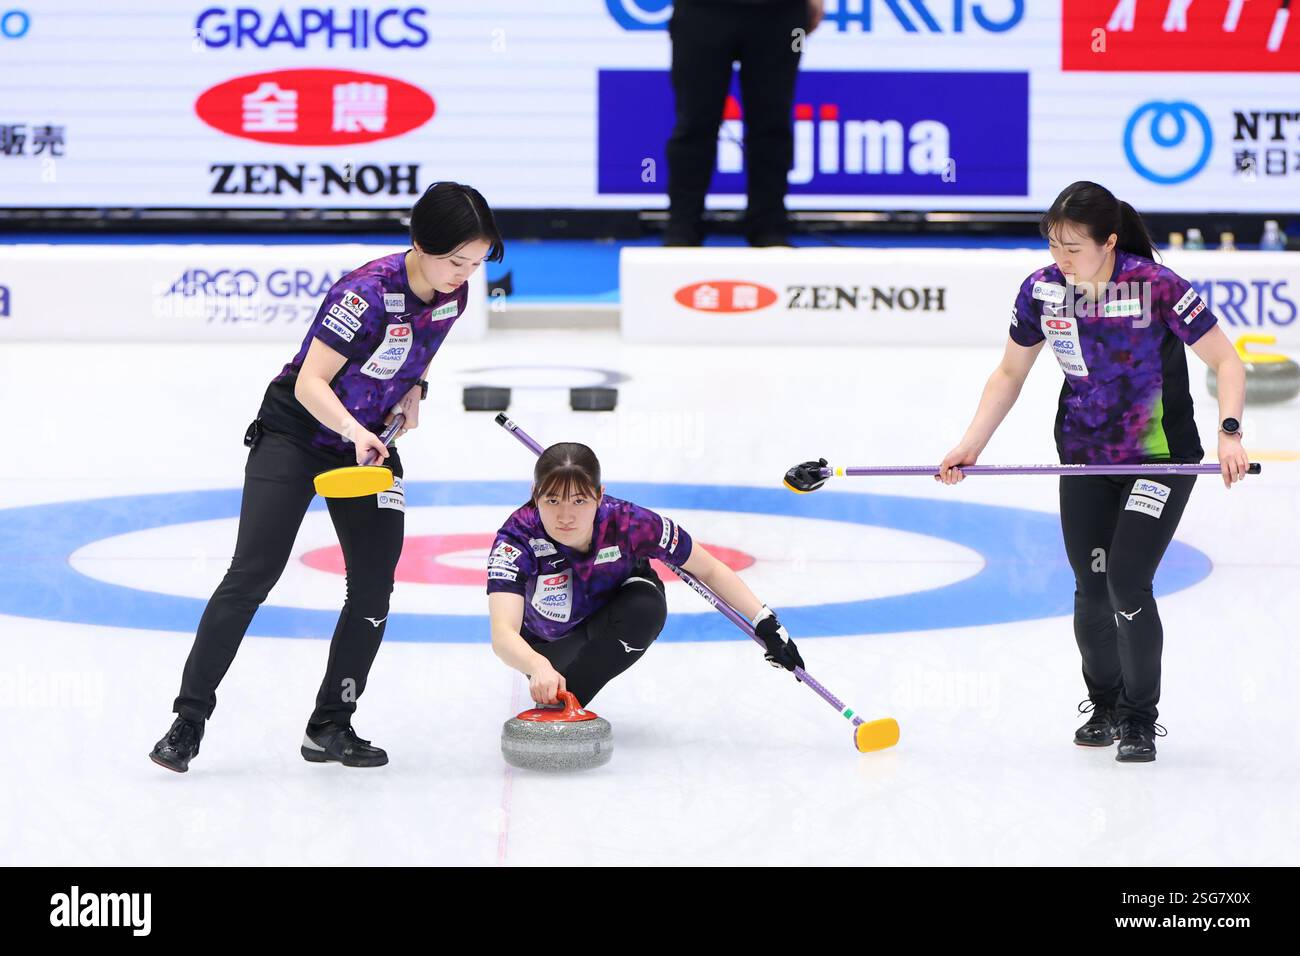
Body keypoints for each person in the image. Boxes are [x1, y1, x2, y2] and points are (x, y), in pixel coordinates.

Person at [149, 182, 504, 772]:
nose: (463, 275)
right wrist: (355, 431)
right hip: (297, 432)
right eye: (453, 260)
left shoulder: (452, 297)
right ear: (419, 242)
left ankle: (330, 725)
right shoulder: (363, 293)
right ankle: (188, 720)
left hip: (367, 445)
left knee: (373, 585)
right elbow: (312, 382)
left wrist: (415, 392)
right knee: (253, 573)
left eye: (474, 262)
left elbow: (416, 355)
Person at [936, 181, 1250, 763]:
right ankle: (1104, 706)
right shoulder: (1041, 291)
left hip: (1159, 459)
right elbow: (1009, 374)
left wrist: (1229, 432)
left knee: (1127, 583)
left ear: (1109, 242)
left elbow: (1227, 360)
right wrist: (970, 444)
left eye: (1074, 248)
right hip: (1084, 460)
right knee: (1091, 590)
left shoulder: (1154, 285)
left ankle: (1138, 719)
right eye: (1054, 245)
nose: (1062, 259)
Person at [487, 442, 804, 707]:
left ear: (600, 495)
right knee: (549, 667)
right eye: (552, 500)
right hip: (549, 642)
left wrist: (764, 620)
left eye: (580, 500)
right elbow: (503, 634)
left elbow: (707, 567)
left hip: (616, 612)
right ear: (534, 493)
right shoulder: (517, 538)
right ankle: (558, 683)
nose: (565, 516)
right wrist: (537, 665)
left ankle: (568, 703)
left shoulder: (630, 522)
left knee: (645, 609)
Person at [664, 0, 824, 247]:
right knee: (694, 123)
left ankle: (770, 226)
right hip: (699, 11)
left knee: (773, 123)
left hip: (783, 14)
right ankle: (682, 226)